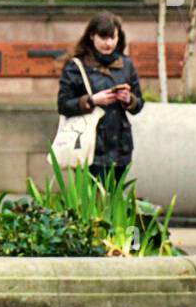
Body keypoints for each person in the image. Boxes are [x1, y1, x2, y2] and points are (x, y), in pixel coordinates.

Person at [57, 11, 144, 181]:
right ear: (92, 36)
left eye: (113, 37)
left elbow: (139, 103)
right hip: (90, 146)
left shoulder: (126, 64)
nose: (109, 43)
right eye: (103, 38)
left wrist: (128, 99)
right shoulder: (76, 66)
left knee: (114, 200)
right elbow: (63, 104)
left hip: (120, 145)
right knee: (93, 201)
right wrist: (92, 100)